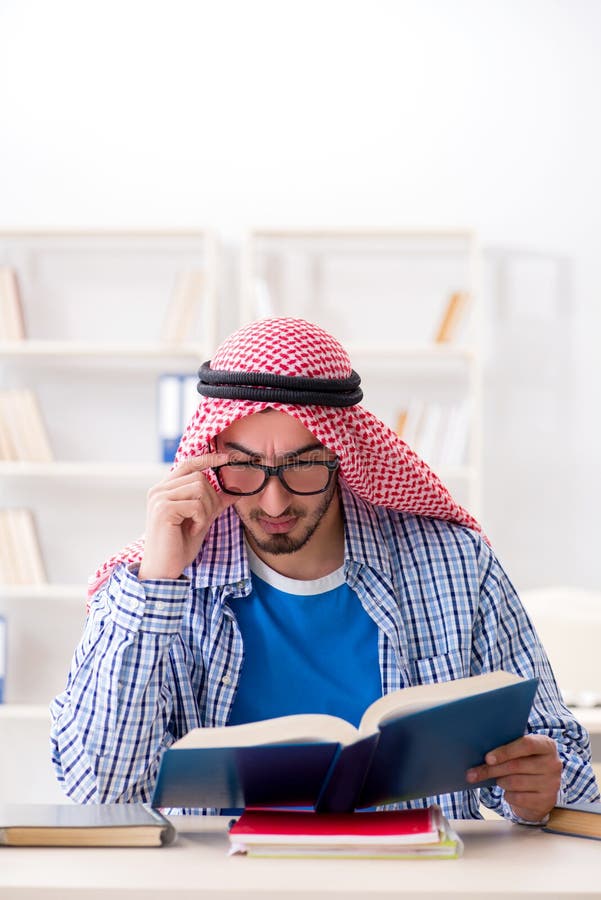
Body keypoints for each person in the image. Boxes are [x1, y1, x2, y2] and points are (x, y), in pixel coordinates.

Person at [51, 317, 599, 822]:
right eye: (243, 466)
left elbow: (568, 767)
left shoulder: (456, 562)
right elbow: (100, 791)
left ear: (345, 454)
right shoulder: (159, 582)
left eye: (303, 464)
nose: (271, 501)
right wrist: (157, 584)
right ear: (210, 455)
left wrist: (540, 790)